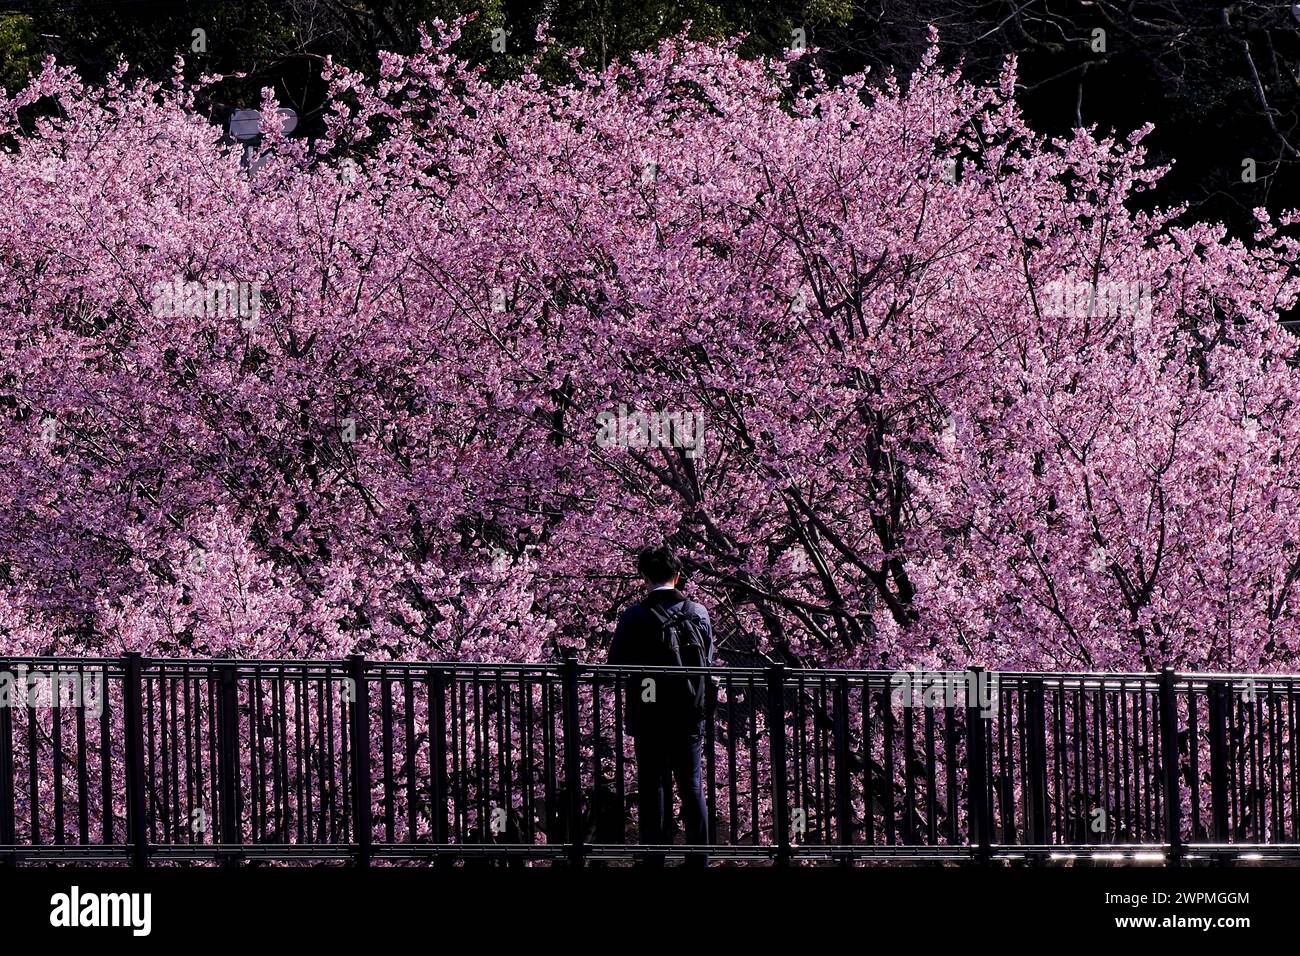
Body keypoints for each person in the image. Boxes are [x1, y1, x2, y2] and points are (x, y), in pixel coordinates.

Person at [608, 546, 715, 867]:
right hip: (689, 713)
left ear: (644, 577)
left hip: (648, 712)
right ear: (677, 575)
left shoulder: (635, 616)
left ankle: (654, 856)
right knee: (692, 785)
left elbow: (616, 664)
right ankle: (699, 857)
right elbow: (709, 660)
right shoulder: (698, 613)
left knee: (652, 784)